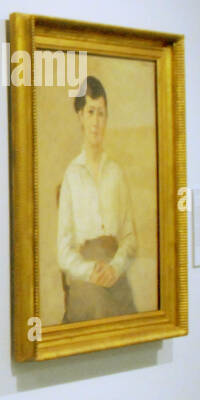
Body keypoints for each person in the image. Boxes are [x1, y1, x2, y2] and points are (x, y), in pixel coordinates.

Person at [57, 75, 137, 321]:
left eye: (101, 113)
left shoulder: (116, 173)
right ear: (80, 116)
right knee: (99, 310)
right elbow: (64, 251)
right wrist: (91, 271)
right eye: (90, 112)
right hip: (86, 280)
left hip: (116, 275)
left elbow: (130, 238)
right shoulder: (71, 176)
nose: (96, 122)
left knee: (128, 320)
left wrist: (115, 267)